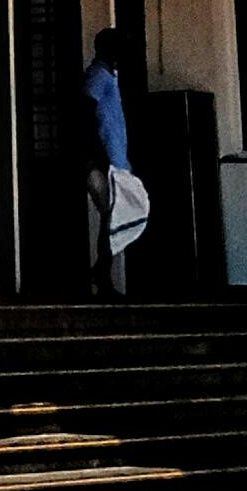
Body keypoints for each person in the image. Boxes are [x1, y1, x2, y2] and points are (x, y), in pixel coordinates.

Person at [83, 27, 136, 297]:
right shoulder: (98, 77)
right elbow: (87, 113)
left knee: (114, 215)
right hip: (103, 160)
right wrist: (96, 157)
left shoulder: (107, 77)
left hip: (113, 159)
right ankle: (101, 272)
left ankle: (102, 271)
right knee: (112, 215)